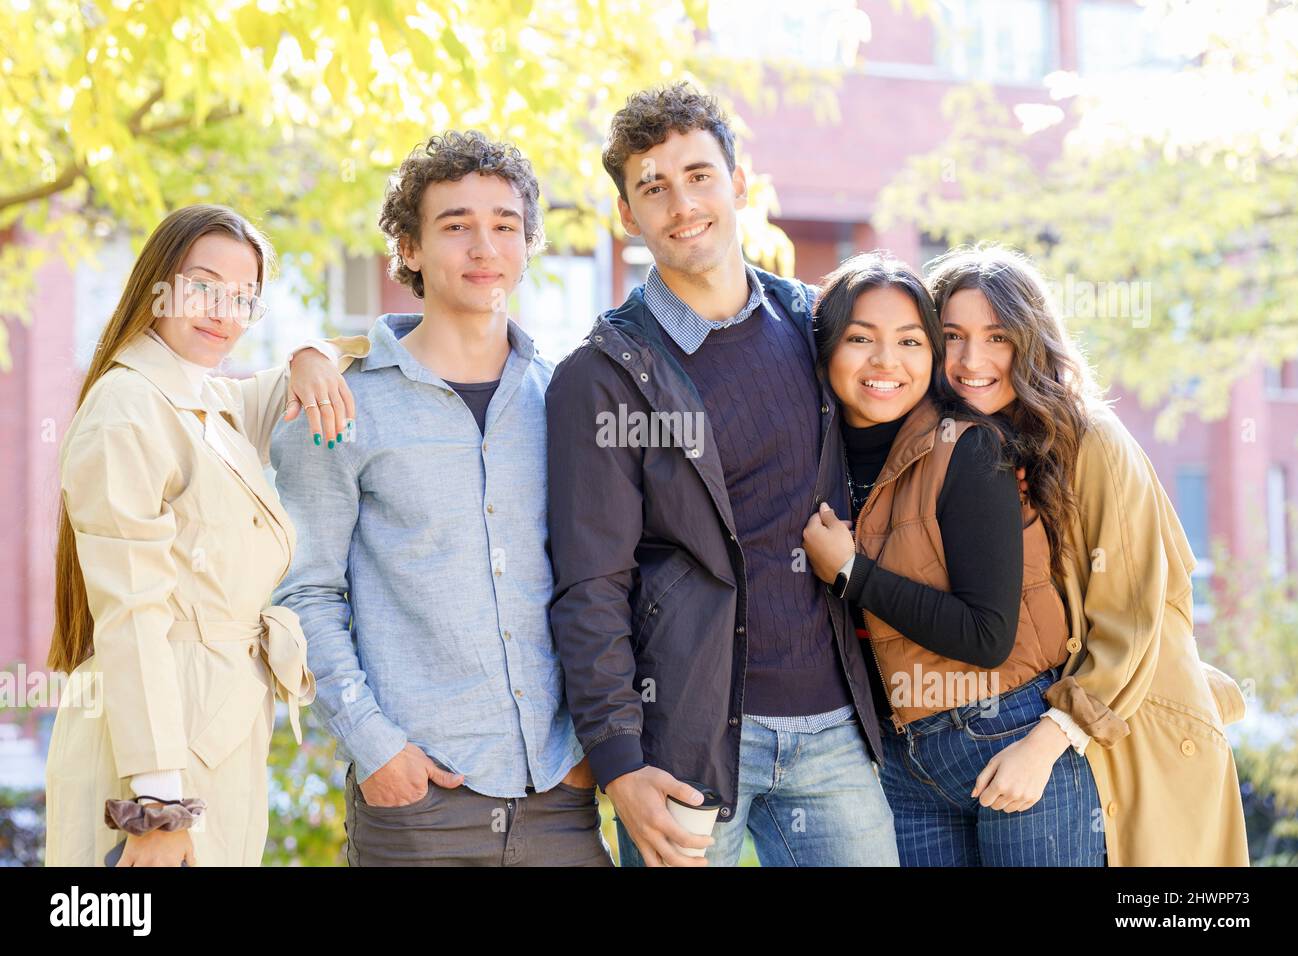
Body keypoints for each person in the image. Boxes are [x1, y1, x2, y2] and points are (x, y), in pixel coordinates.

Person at [547, 84, 897, 867]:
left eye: (699, 175)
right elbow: (588, 585)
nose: (682, 203)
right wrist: (620, 760)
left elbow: (928, 389)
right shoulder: (602, 378)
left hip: (837, 729)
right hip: (687, 744)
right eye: (653, 187)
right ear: (626, 215)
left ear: (738, 186)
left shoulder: (819, 327)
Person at [271, 131, 612, 867]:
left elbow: (603, 578)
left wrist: (595, 746)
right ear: (411, 248)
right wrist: (375, 746)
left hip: (561, 791)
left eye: (505, 226)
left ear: (528, 245)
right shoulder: (341, 405)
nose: (483, 246)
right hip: (419, 802)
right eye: (456, 225)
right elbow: (306, 592)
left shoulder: (566, 398)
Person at [45, 203, 370, 867]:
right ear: (155, 286)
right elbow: (132, 615)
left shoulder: (209, 402)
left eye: (245, 298)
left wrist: (310, 352)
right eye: (203, 287)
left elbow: (341, 356)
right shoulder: (129, 409)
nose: (224, 312)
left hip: (214, 739)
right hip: (156, 761)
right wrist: (158, 808)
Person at [925, 243, 1250, 865]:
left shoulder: (1092, 440)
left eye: (997, 337)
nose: (971, 360)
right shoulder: (962, 445)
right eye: (952, 336)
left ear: (1032, 343)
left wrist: (1044, 744)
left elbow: (1128, 622)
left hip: (1137, 741)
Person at [801, 251, 1104, 866]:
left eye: (910, 340)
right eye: (861, 338)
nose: (886, 362)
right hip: (901, 757)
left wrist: (852, 574)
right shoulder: (812, 455)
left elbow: (988, 635)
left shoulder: (968, 448)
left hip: (1008, 736)